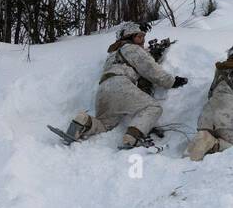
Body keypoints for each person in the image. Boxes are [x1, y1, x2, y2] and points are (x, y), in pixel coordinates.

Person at [59, 22, 188, 149]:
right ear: (129, 37)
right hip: (121, 85)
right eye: (139, 37)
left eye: (143, 37)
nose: (143, 40)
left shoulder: (113, 54)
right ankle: (132, 137)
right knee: (153, 107)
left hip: (104, 88)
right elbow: (150, 69)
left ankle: (82, 121)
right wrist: (171, 81)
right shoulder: (132, 49)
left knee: (104, 124)